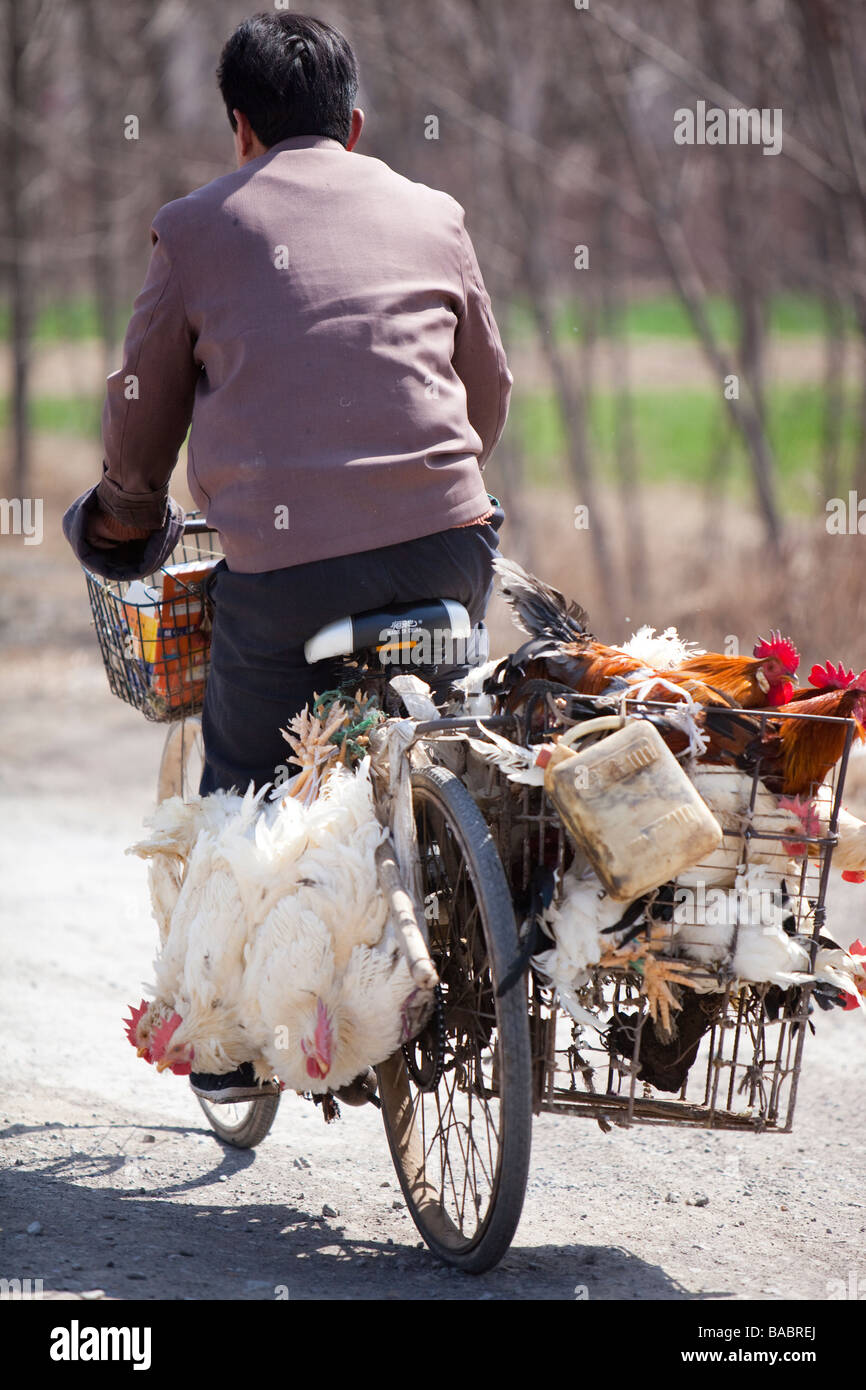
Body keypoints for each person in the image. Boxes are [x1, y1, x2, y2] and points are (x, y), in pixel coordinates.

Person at [63, 12, 512, 1102]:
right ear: (352, 126)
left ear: (239, 130)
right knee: (439, 738)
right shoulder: (434, 212)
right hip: (453, 552)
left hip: (287, 577)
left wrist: (125, 511)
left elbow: (140, 417)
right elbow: (485, 398)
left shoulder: (195, 228)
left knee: (243, 767)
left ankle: (219, 1044)